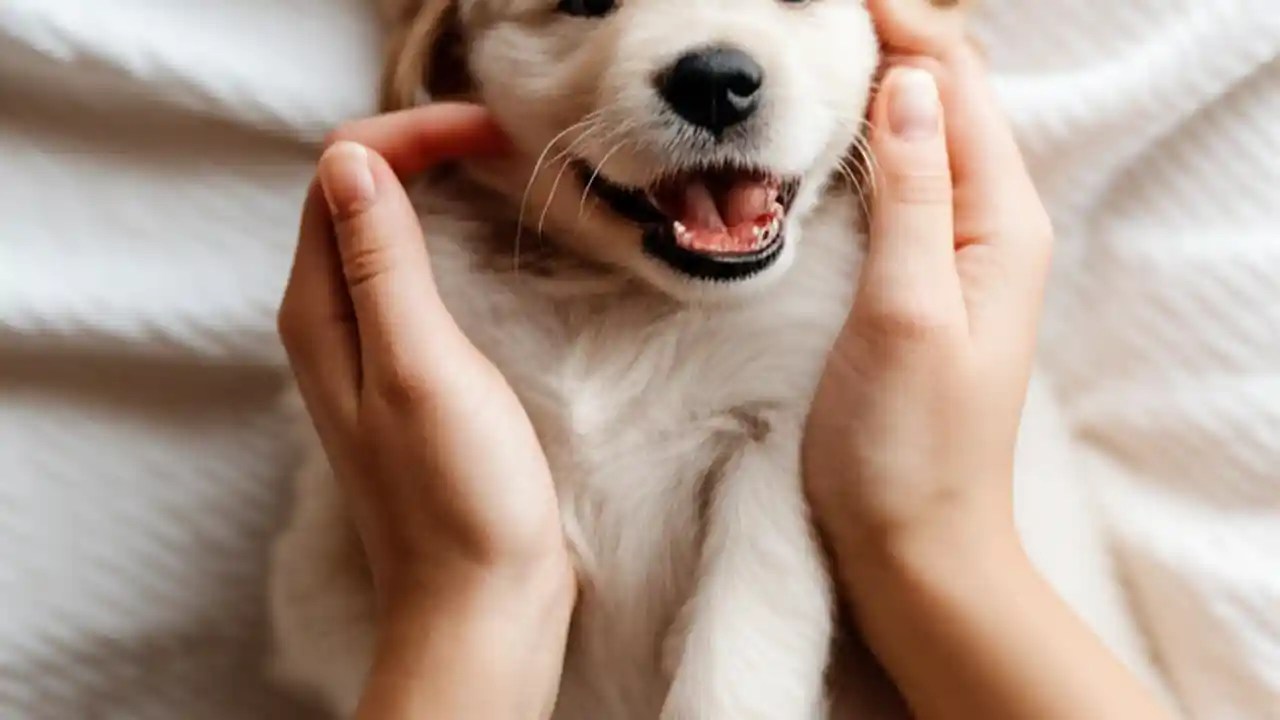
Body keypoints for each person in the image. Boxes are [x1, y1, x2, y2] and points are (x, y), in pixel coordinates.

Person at [276, 2, 1174, 718]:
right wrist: (466, 595)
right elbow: (319, 620)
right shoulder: (423, 305)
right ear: (444, 57)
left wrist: (926, 528)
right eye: (583, 2)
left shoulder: (882, 296)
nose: (714, 62)